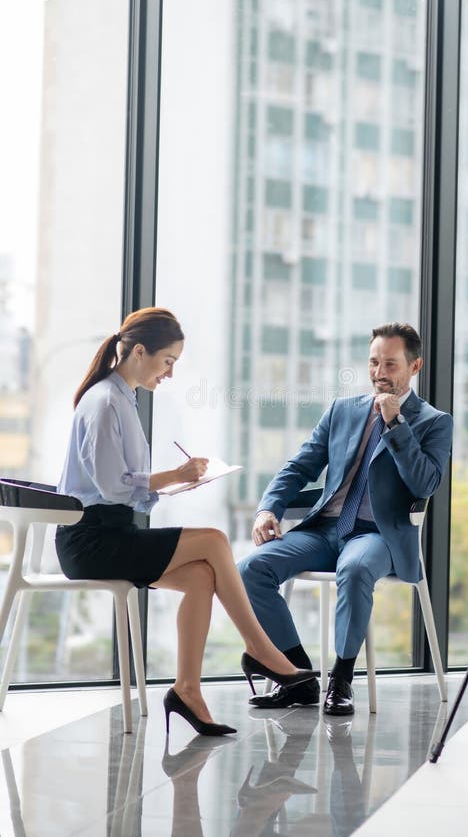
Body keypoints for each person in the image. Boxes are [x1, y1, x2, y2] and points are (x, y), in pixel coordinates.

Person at [55, 307, 315, 736]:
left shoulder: (122, 398)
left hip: (114, 532)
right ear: (140, 351)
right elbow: (113, 486)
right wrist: (174, 476)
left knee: (199, 577)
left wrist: (170, 486)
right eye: (168, 361)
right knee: (214, 541)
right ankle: (261, 651)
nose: (170, 374)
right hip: (90, 541)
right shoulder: (103, 402)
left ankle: (187, 690)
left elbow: (123, 488)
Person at [238, 322, 452, 715]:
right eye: (373, 362)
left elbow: (426, 483)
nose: (379, 373)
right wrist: (269, 508)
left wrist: (396, 426)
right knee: (250, 569)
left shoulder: (433, 422)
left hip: (377, 535)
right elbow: (299, 466)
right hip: (325, 530)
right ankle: (296, 674)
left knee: (353, 570)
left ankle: (342, 679)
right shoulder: (342, 410)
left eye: (390, 363)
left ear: (414, 366)